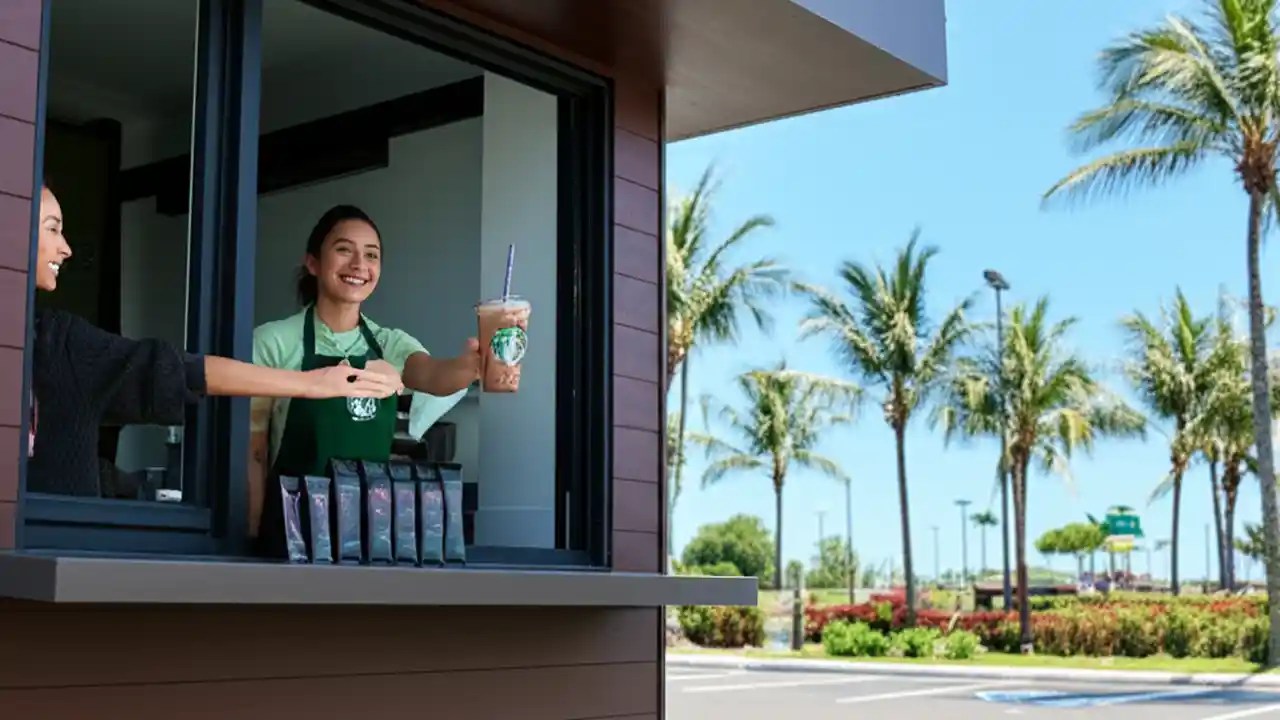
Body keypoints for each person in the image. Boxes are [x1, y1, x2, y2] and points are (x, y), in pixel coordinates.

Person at [27, 185, 403, 497]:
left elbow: (173, 372)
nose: (67, 248)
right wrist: (312, 383)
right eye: (52, 228)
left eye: (372, 255)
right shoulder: (59, 343)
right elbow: (184, 375)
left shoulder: (60, 342)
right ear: (313, 262)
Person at [248, 204, 479, 548]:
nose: (359, 265)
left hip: (371, 536)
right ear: (313, 262)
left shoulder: (389, 344)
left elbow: (436, 376)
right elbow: (253, 453)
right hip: (292, 534)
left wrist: (473, 364)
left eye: (372, 255)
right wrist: (251, 537)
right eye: (344, 250)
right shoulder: (274, 342)